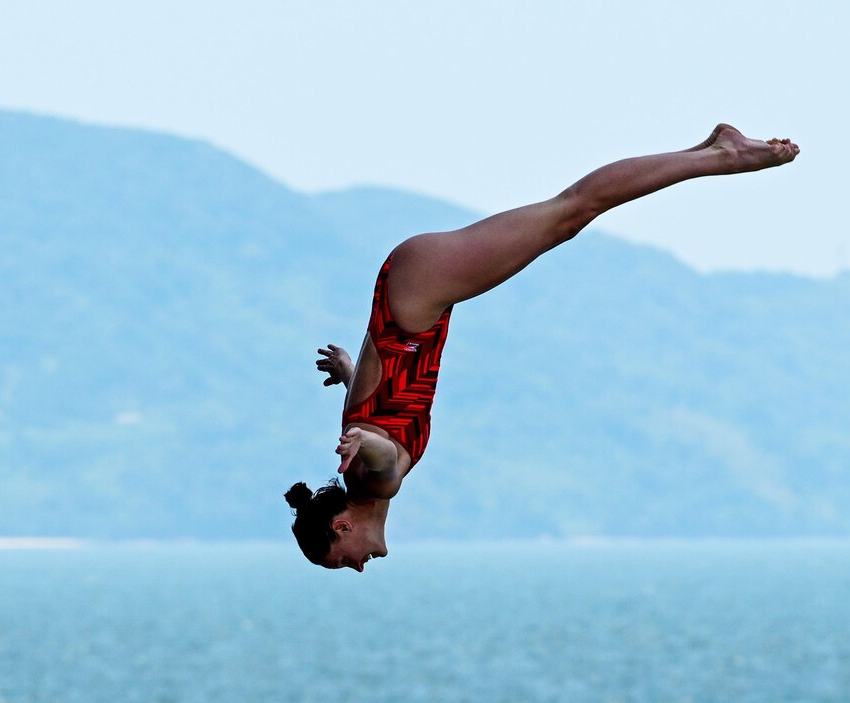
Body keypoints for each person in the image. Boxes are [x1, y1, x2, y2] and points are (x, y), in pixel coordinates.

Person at [284, 124, 800, 571]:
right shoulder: (365, 466)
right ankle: (707, 150)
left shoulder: (376, 481)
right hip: (411, 292)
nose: (356, 567)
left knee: (570, 212)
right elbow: (379, 416)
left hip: (420, 299)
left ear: (342, 528)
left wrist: (363, 444)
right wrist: (351, 373)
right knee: (568, 215)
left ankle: (724, 156)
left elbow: (378, 452)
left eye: (341, 560)